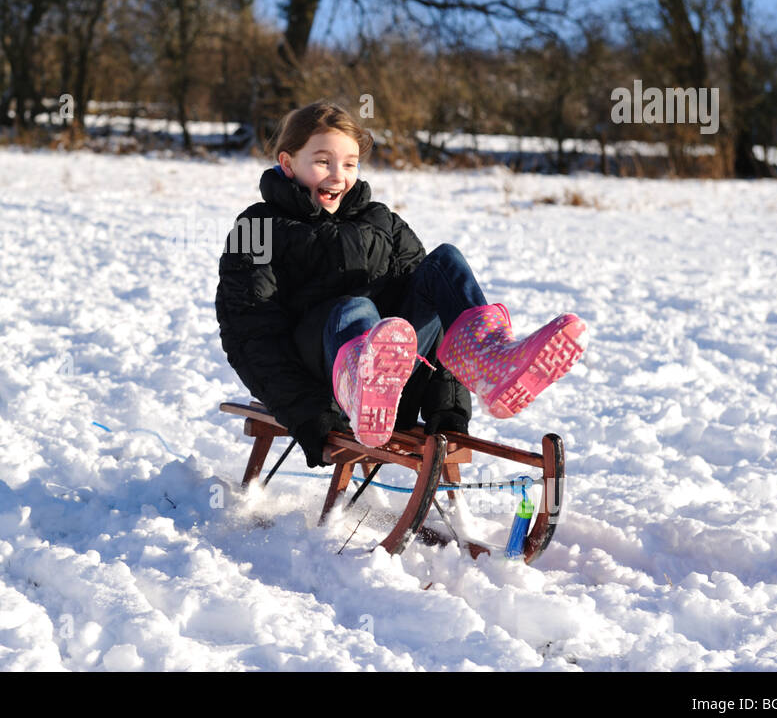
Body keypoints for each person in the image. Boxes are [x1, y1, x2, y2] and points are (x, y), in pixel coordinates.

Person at [215, 100, 587, 468]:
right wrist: (310, 414)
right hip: (324, 388)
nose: (337, 175)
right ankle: (361, 385)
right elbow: (248, 332)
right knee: (354, 308)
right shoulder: (257, 228)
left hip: (395, 384)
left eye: (349, 164)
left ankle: (492, 362)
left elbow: (439, 317)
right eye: (322, 162)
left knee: (445, 264)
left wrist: (448, 407)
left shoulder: (382, 222)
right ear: (287, 163)